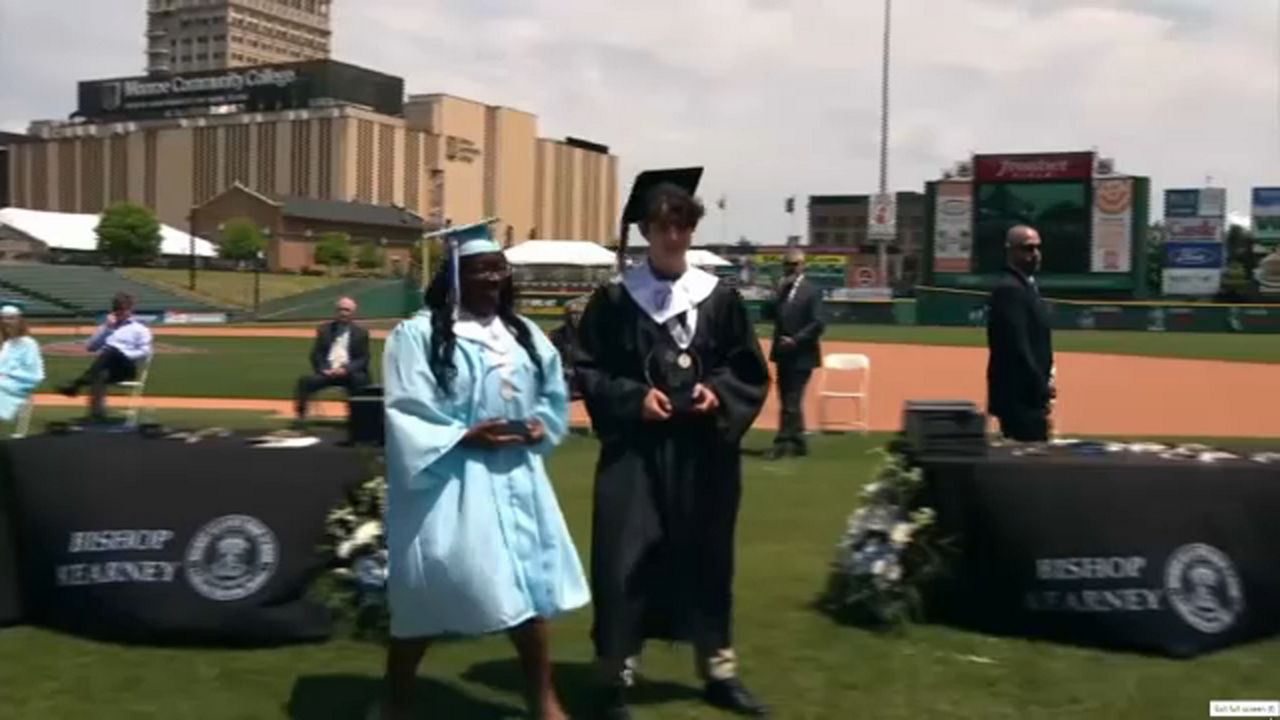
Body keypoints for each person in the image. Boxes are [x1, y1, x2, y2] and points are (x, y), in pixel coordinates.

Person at [577, 175, 771, 719]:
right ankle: (616, 675)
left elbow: (747, 368)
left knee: (707, 558)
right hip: (634, 453)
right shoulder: (615, 300)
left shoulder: (720, 299)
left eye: (683, 225)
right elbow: (587, 370)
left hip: (702, 455)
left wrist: (720, 393)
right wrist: (632, 399)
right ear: (645, 231)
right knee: (623, 559)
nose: (674, 236)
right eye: (663, 226)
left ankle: (718, 673)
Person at [378, 222, 589, 720]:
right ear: (455, 276)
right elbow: (407, 408)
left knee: (530, 583)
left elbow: (553, 392)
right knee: (430, 591)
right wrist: (464, 435)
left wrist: (542, 425)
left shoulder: (523, 333)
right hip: (452, 480)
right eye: (480, 270)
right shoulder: (420, 335)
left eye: (498, 268)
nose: (493, 279)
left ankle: (544, 700)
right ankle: (395, 698)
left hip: (517, 476)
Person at [986, 225, 1055, 442]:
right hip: (1020, 396)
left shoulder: (1025, 286)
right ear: (1010, 251)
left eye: (1037, 248)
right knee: (1030, 461)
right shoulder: (1010, 289)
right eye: (1027, 248)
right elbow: (1017, 346)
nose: (1034, 254)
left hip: (1027, 395)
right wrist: (1039, 387)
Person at [765, 248, 825, 460]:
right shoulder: (782, 290)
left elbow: (818, 323)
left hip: (802, 354)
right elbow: (767, 314)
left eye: (793, 264)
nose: (789, 269)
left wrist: (796, 340)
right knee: (786, 398)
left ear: (802, 266)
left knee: (791, 399)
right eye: (786, 265)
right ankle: (799, 441)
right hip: (783, 354)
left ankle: (781, 443)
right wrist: (774, 295)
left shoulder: (811, 291)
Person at [58, 292, 153, 422]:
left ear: (129, 310)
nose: (119, 313)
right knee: (100, 371)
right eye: (116, 310)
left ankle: (77, 385)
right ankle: (96, 415)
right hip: (106, 369)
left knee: (111, 351)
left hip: (125, 368)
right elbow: (91, 347)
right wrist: (107, 329)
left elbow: (145, 351)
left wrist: (124, 354)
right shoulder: (106, 327)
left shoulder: (139, 329)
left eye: (122, 310)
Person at [294, 296, 370, 424]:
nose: (343, 313)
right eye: (340, 309)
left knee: (361, 380)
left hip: (349, 374)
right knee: (304, 381)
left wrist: (346, 369)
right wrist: (323, 369)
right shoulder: (324, 330)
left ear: (353, 313)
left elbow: (363, 358)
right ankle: (300, 418)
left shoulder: (361, 333)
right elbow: (316, 354)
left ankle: (357, 419)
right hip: (327, 372)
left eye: (347, 310)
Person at [0, 305, 44, 423]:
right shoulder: (5, 343)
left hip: (19, 381)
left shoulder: (28, 344)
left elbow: (33, 371)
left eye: (11, 319)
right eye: (3, 319)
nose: (6, 322)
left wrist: (7, 374)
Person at [546, 296, 588, 400]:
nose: (577, 317)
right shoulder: (557, 335)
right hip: (567, 380)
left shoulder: (596, 335)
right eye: (573, 314)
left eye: (580, 313)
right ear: (567, 316)